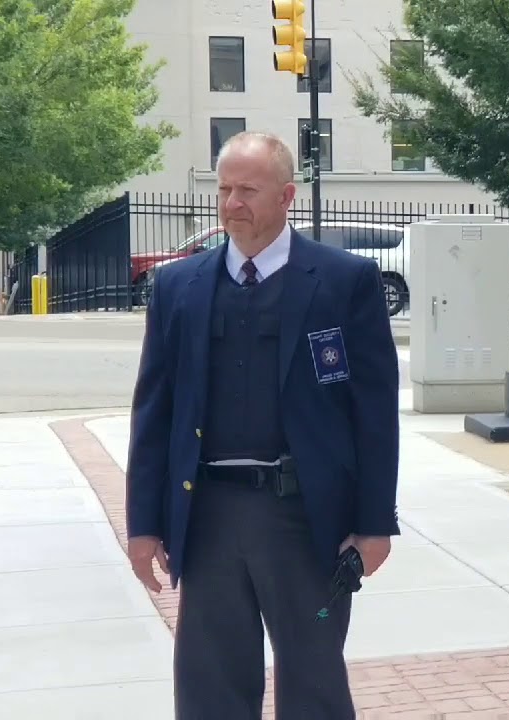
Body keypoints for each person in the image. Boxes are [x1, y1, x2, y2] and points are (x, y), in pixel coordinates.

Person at [124, 131, 401, 720]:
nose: (231, 204)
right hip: (208, 519)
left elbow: (373, 412)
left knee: (314, 682)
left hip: (305, 519)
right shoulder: (178, 288)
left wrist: (376, 524)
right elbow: (154, 412)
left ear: (287, 196)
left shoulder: (343, 281)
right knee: (210, 685)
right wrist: (144, 522)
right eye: (224, 189)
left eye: (248, 190)